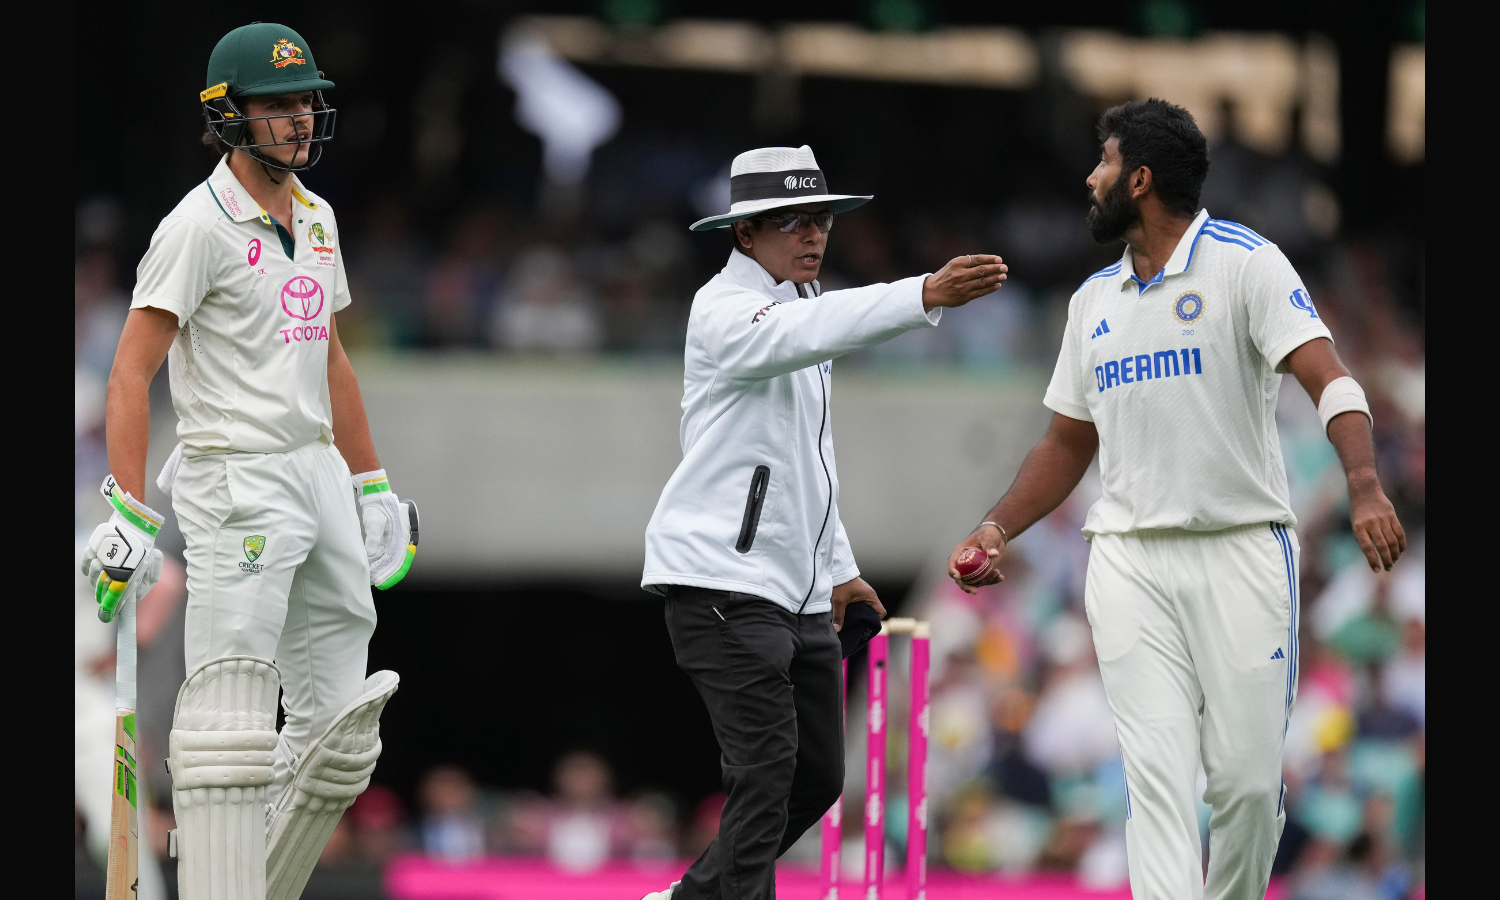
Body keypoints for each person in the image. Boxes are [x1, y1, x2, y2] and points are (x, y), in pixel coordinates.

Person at [947, 99, 1405, 900]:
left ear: (1141, 179)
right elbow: (1065, 444)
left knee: (1248, 789)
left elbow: (1331, 380)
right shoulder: (1093, 301)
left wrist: (1364, 484)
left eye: (1104, 161)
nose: (1091, 178)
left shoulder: (1247, 264)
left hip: (1241, 550)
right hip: (1129, 561)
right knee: (1155, 779)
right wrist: (996, 527)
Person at [79, 23, 418, 900]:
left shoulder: (318, 215)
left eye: (307, 100)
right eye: (279, 104)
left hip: (316, 469)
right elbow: (130, 372)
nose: (301, 118)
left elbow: (330, 359)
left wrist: (371, 484)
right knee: (231, 714)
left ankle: (242, 882)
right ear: (229, 117)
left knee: (339, 737)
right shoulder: (195, 227)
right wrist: (127, 511)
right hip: (236, 474)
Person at [639, 145, 1007, 900]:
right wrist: (922, 292)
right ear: (745, 233)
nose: (813, 234)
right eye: (792, 221)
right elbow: (802, 332)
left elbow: (809, 460)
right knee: (768, 774)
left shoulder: (806, 305)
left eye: (822, 220)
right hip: (720, 580)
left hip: (795, 591)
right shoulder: (722, 308)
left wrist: (838, 567)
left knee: (815, 778)